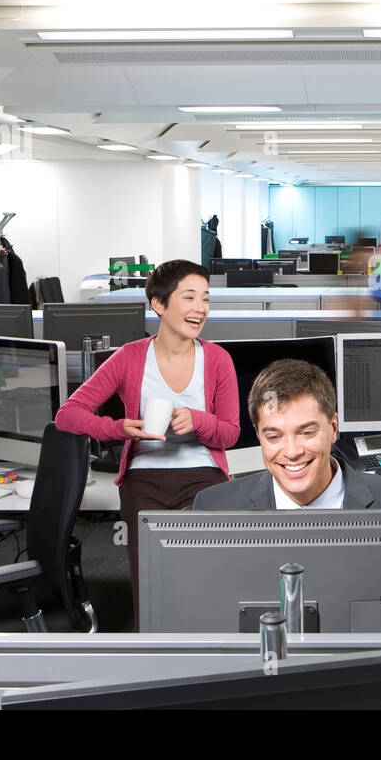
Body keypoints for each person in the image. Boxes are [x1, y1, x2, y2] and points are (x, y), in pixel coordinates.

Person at [193, 358, 381, 630]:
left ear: (333, 429)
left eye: (306, 432)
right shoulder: (214, 509)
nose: (292, 451)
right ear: (259, 436)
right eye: (274, 437)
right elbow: (206, 625)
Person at [55, 258, 240, 612]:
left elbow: (230, 434)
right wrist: (117, 429)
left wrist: (198, 421)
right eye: (189, 298)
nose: (200, 308)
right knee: (151, 580)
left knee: (200, 580)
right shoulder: (129, 357)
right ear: (159, 304)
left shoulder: (218, 360)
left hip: (203, 476)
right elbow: (68, 415)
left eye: (205, 298)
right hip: (145, 478)